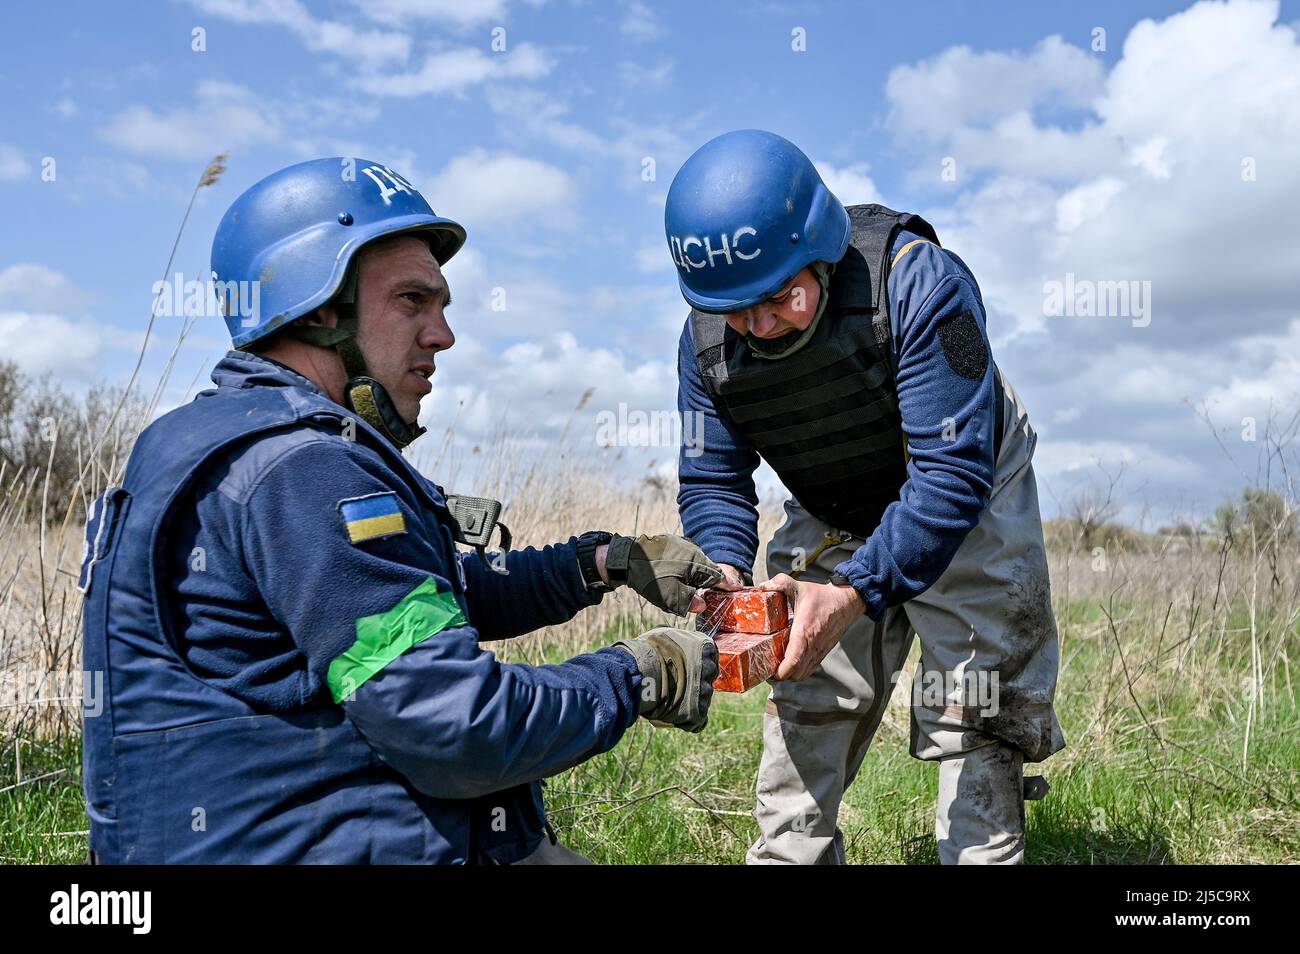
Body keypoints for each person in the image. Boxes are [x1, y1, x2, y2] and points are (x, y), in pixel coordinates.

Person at [79, 157, 722, 864]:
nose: (443, 335)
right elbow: (459, 729)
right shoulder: (302, 471)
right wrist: (637, 673)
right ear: (320, 308)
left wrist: (598, 564)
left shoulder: (220, 441)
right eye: (414, 302)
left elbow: (408, 597)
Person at [667, 130, 1064, 864]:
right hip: (833, 504)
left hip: (963, 487)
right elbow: (714, 480)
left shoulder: (921, 285)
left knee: (975, 707)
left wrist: (856, 592)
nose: (758, 326)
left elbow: (950, 480)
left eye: (779, 299)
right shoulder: (706, 344)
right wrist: (720, 571)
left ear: (819, 252)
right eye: (737, 310)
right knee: (809, 697)